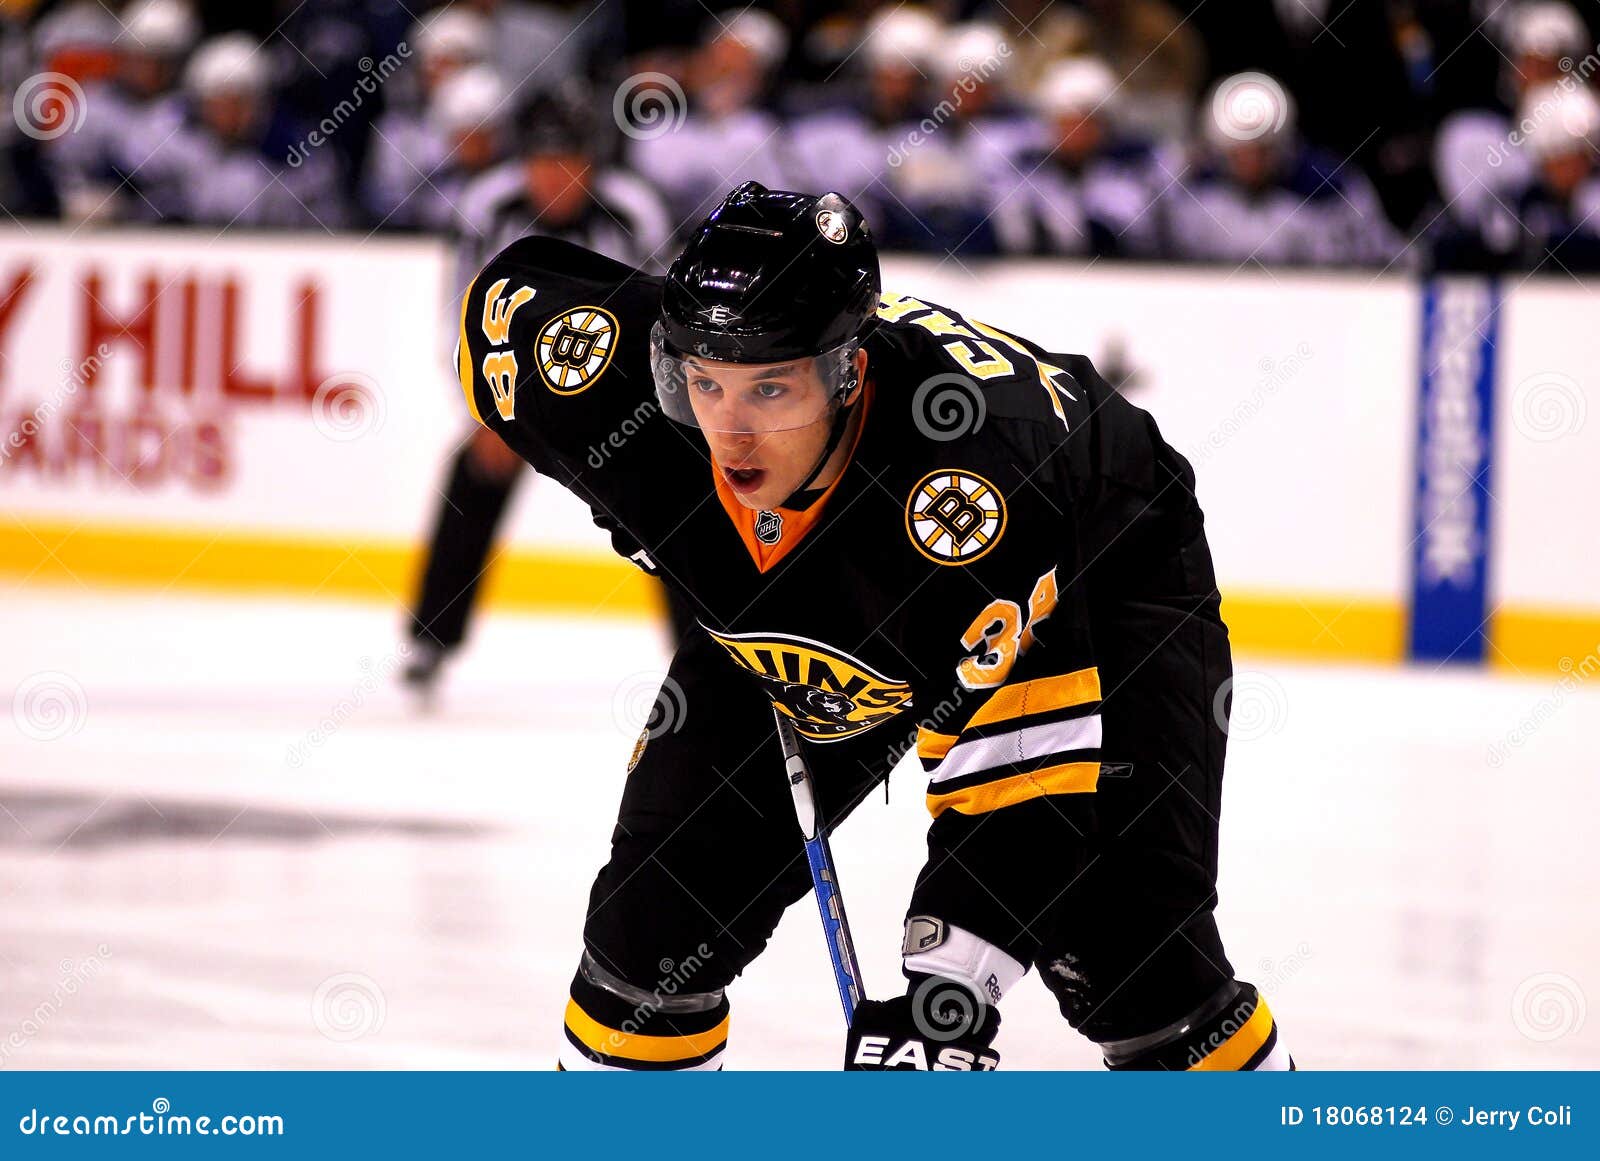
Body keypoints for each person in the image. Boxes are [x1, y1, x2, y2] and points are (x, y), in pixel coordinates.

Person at [454, 181, 1294, 1071]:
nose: (730, 435)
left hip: (1106, 556)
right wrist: (646, 514)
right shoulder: (599, 377)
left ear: (848, 372)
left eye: (771, 388)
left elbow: (1024, 767)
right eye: (705, 384)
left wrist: (948, 993)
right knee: (655, 930)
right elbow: (504, 296)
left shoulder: (971, 500)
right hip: (809, 601)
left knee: (1127, 954)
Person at [403, 87, 681, 696]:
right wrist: (488, 417)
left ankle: (707, 645)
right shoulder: (487, 206)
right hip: (524, 386)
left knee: (674, 496)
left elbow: (667, 320)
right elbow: (465, 317)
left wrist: (662, 419)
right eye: (543, 161)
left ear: (591, 163)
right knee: (474, 473)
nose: (556, 176)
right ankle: (431, 638)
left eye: (570, 162)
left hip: (626, 389)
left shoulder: (634, 209)